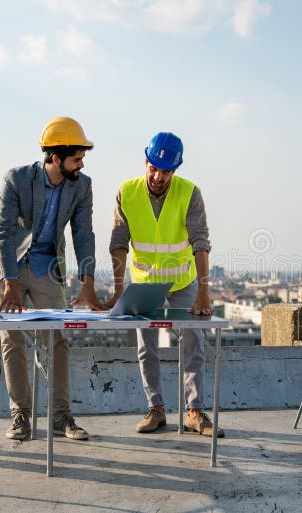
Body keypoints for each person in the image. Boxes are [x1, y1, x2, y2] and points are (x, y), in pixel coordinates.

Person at [0, 116, 102, 441]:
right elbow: (3, 232)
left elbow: (83, 233)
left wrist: (88, 281)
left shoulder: (82, 185)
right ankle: (20, 416)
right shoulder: (16, 179)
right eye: (77, 158)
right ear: (56, 158)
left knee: (56, 338)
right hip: (10, 263)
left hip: (47, 265)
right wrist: (10, 284)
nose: (82, 163)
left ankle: (61, 417)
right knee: (11, 339)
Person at [107, 131, 223, 437]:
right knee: (146, 347)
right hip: (145, 282)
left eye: (166, 171)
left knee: (194, 342)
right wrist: (119, 288)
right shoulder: (127, 192)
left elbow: (200, 242)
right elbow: (118, 242)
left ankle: (194, 412)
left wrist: (203, 292)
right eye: (154, 168)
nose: (158, 177)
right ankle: (156, 409)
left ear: (176, 169)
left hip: (183, 281)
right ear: (145, 162)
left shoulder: (189, 193)